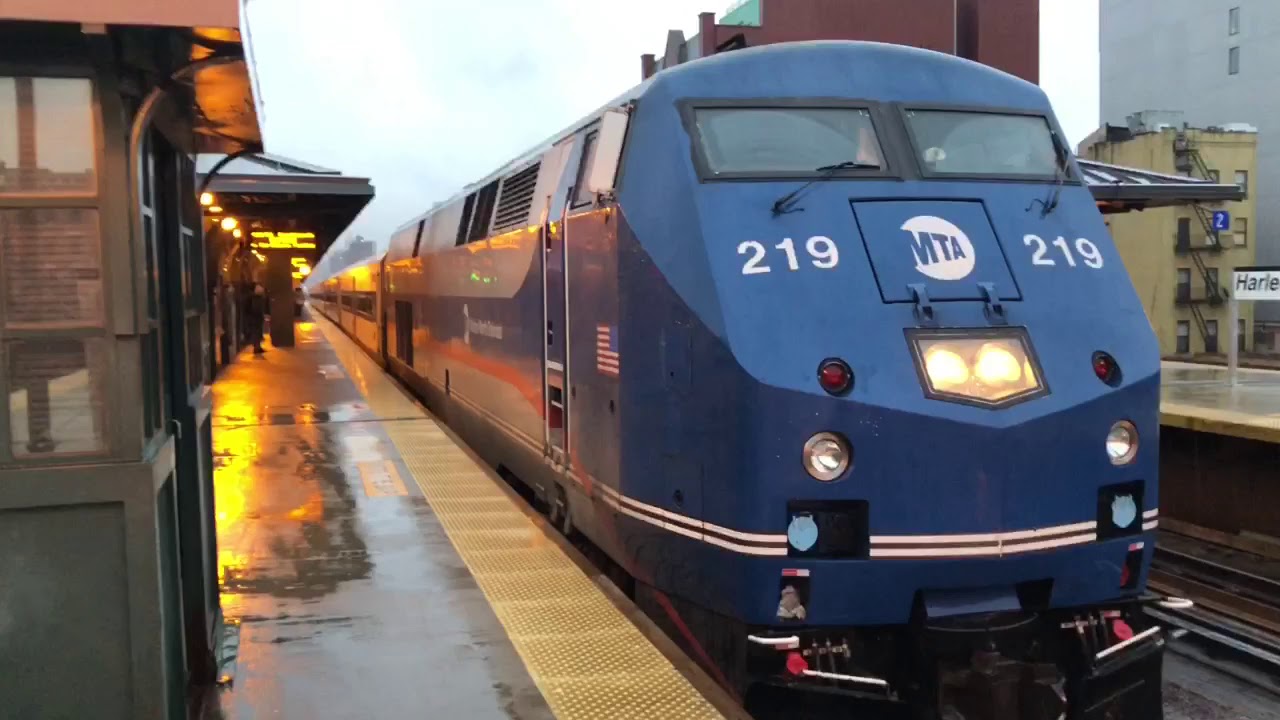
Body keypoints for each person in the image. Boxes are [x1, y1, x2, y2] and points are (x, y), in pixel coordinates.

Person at [245, 284, 267, 354]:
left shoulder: (253, 297)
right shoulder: (256, 298)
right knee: (256, 333)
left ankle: (258, 347)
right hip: (256, 318)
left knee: (257, 332)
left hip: (254, 317)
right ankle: (257, 348)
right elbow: (257, 309)